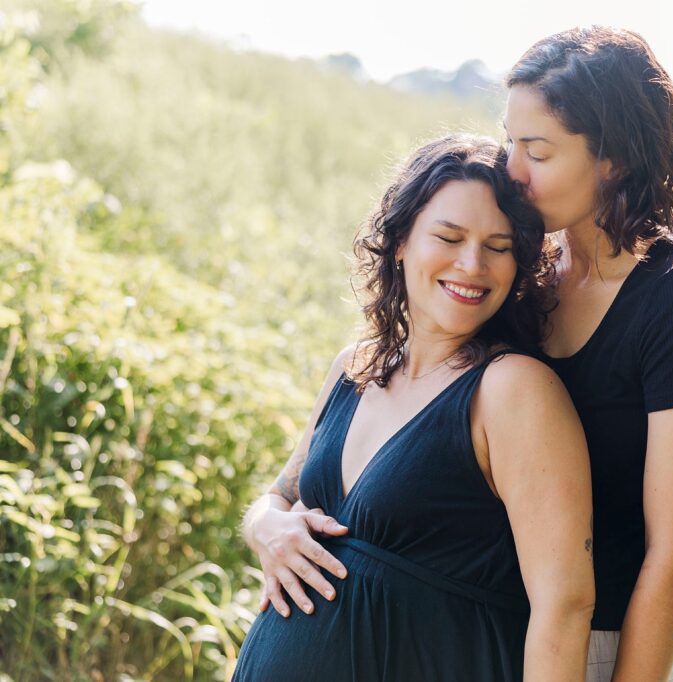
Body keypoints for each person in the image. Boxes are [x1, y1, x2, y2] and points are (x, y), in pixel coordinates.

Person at [232, 135, 594, 681]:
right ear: (400, 240)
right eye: (449, 237)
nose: (472, 265)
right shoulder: (354, 367)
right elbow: (279, 495)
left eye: (498, 247)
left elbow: (564, 606)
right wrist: (264, 528)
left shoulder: (512, 391)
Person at [502, 27, 673, 682]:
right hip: (512, 639)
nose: (511, 171)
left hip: (621, 648)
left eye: (538, 151)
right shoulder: (522, 275)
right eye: (509, 143)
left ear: (613, 158)